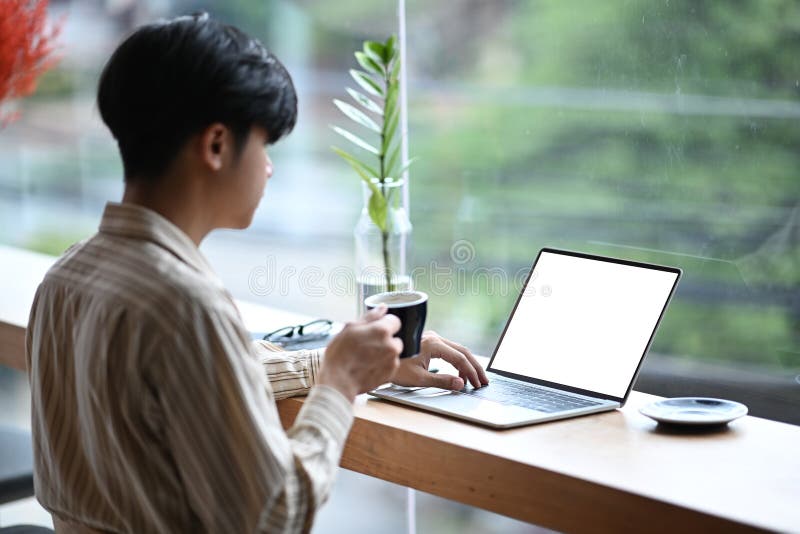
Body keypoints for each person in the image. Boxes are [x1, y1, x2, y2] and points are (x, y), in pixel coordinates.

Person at [25, 12, 488, 534]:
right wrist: (338, 384)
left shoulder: (66, 276)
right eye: (265, 144)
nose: (268, 167)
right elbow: (277, 515)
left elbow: (188, 385)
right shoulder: (185, 303)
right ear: (217, 144)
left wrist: (346, 365)